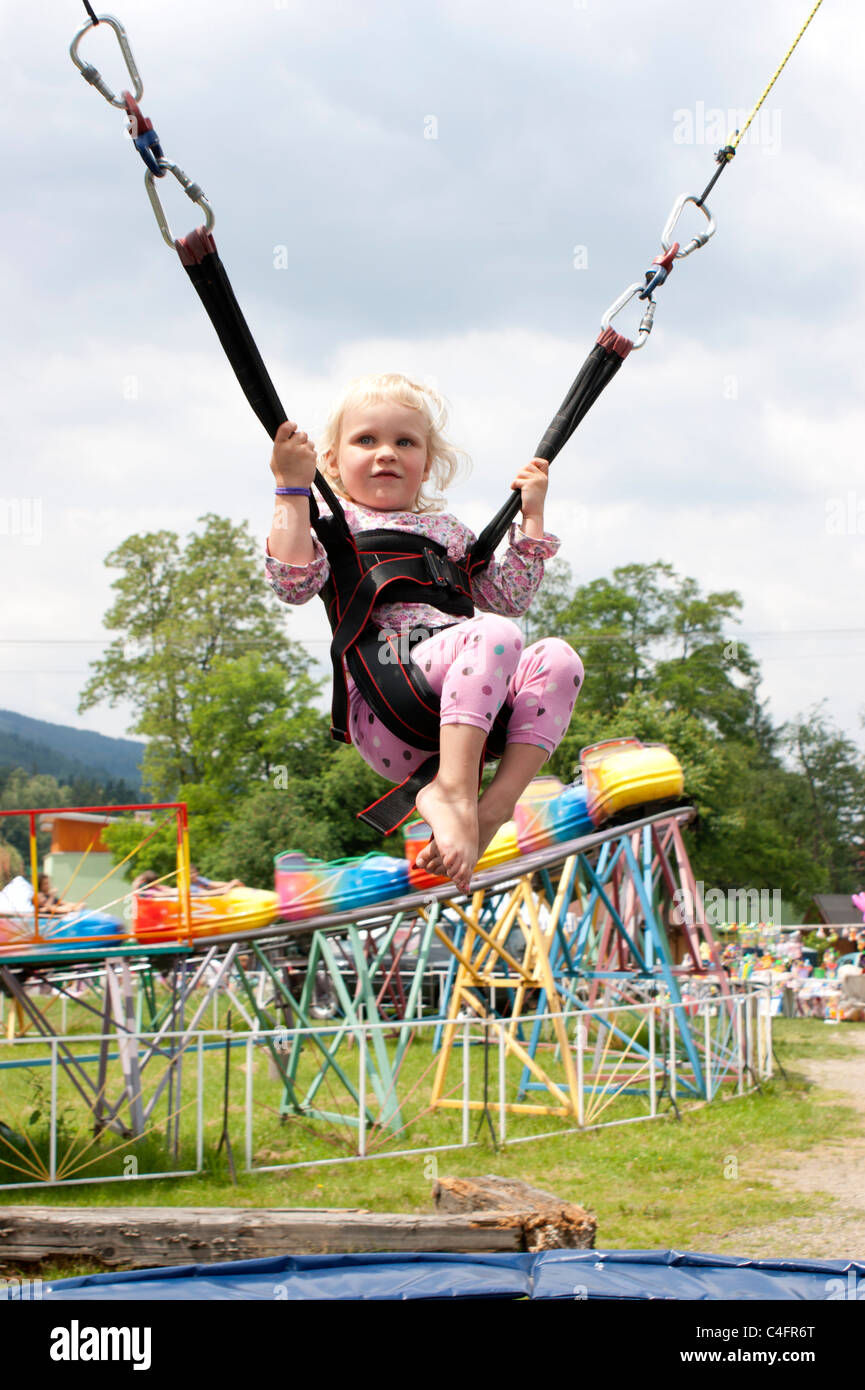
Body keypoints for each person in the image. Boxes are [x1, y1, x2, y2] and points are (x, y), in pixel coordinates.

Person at [265, 373, 584, 894]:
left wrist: (532, 518)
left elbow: (510, 595)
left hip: (469, 701)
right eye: (366, 440)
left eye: (404, 442)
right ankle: (451, 792)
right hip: (388, 693)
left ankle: (493, 808)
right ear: (332, 460)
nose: (386, 452)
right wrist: (291, 487)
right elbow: (292, 581)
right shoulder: (333, 522)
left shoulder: (450, 533)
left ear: (427, 465)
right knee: (494, 634)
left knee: (560, 658)